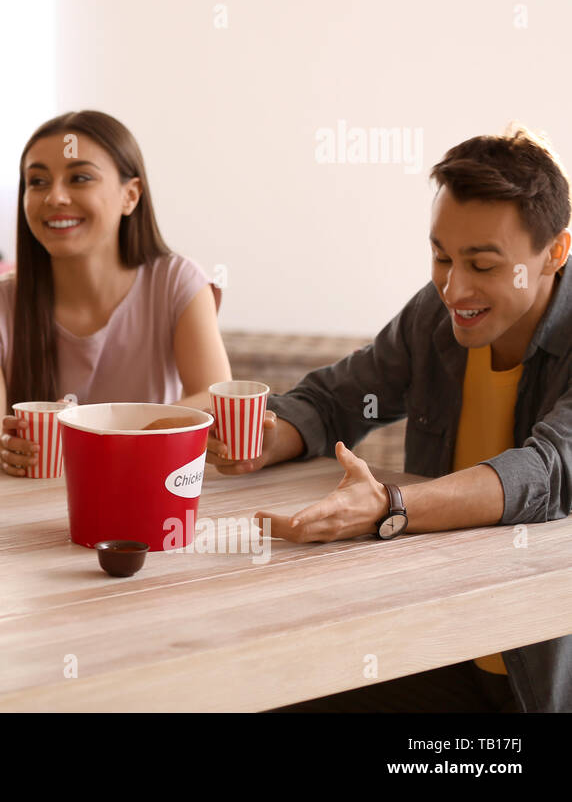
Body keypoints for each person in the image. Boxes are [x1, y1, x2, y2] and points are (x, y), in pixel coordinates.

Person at [208, 126, 571, 712]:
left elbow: (548, 471)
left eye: (482, 263)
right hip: (427, 645)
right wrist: (270, 439)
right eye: (441, 256)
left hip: (532, 681)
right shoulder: (437, 319)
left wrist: (390, 507)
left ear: (555, 251)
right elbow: (337, 400)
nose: (454, 288)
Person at [0, 110, 232, 473]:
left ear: (131, 196)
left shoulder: (179, 282)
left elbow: (216, 396)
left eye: (79, 178)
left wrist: (102, 434)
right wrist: (3, 451)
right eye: (37, 182)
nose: (55, 197)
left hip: (148, 488)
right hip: (31, 511)